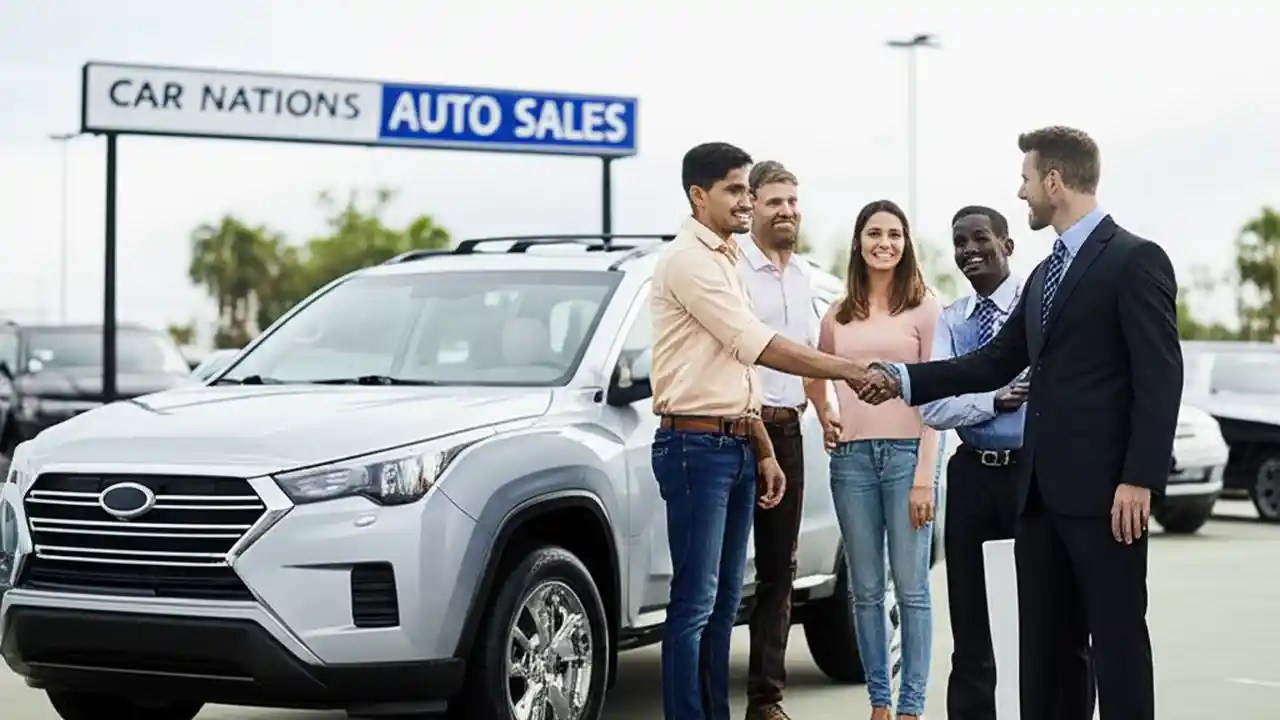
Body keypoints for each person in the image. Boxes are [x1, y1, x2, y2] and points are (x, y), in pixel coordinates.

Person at [861, 126, 1182, 720]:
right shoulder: (1043, 276)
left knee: (1116, 646)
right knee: (1043, 652)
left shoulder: (1135, 260)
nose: (1022, 192)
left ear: (1055, 181)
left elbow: (1160, 380)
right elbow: (992, 362)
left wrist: (1139, 478)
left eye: (1027, 180)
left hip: (1110, 501)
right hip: (1039, 502)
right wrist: (902, 379)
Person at [650, 142, 884, 720]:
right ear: (698, 196)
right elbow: (758, 346)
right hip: (695, 447)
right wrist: (853, 372)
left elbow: (739, 375)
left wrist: (763, 449)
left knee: (729, 597)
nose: (746, 200)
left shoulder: (725, 257)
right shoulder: (689, 260)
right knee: (695, 603)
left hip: (735, 440)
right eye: (735, 190)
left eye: (747, 189)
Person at [919, 206, 1095, 720]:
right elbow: (933, 406)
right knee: (971, 620)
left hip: (1035, 474)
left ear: (1007, 245)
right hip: (973, 473)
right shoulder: (951, 321)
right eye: (959, 242)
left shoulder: (1044, 306)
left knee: (1049, 614)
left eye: (980, 239)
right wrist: (994, 399)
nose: (969, 250)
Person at [817, 199, 941, 720]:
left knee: (911, 588)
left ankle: (911, 704)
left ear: (905, 243)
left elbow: (937, 396)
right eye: (874, 233)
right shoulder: (839, 313)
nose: (884, 243)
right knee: (865, 590)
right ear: (858, 242)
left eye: (894, 234)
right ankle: (880, 703)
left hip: (908, 456)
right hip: (851, 463)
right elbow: (816, 369)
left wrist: (924, 480)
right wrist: (825, 412)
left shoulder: (925, 307)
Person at [735, 160, 839, 720]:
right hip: (740, 431)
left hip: (789, 429)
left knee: (781, 569)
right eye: (776, 201)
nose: (787, 211)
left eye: (794, 202)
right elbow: (740, 359)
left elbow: (805, 358)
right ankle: (707, 695)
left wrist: (823, 411)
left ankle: (765, 700)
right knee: (728, 572)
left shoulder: (801, 276)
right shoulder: (734, 271)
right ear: (751, 204)